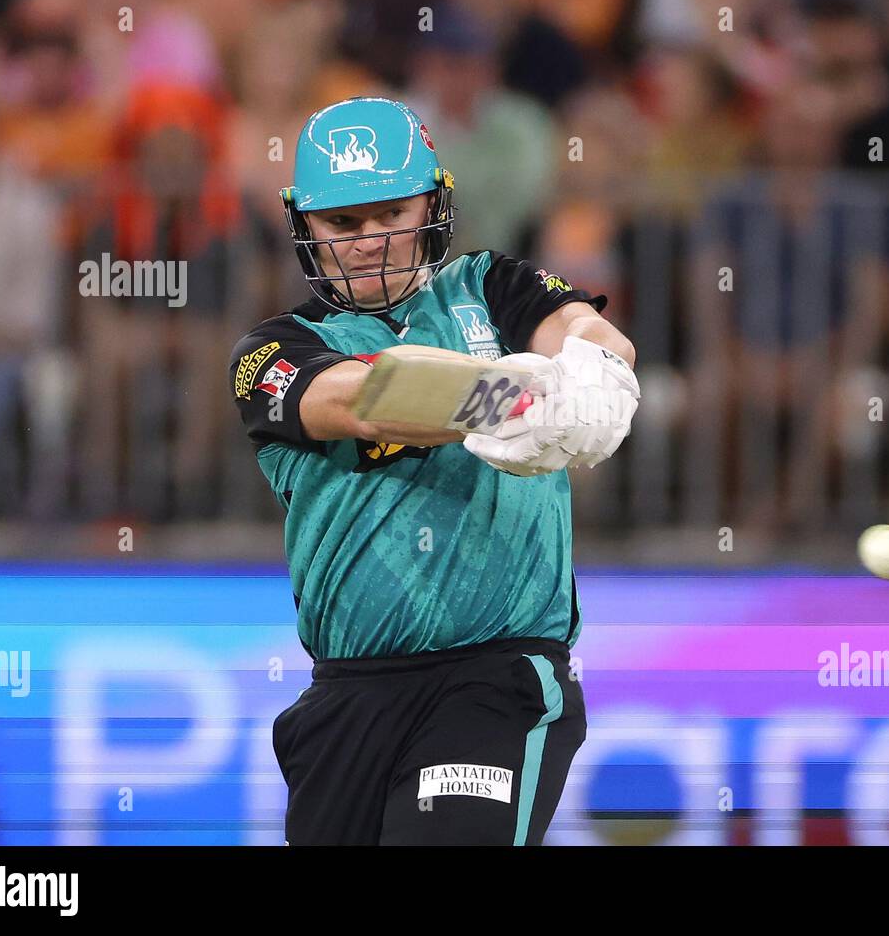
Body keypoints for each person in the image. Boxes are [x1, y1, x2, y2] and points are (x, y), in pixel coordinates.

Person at [227, 96, 639, 845]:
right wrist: (513, 402)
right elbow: (364, 399)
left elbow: (584, 327)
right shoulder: (272, 351)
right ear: (305, 228)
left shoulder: (491, 286)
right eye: (342, 224)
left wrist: (598, 367)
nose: (369, 242)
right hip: (347, 700)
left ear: (434, 203)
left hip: (497, 676)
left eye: (390, 213)